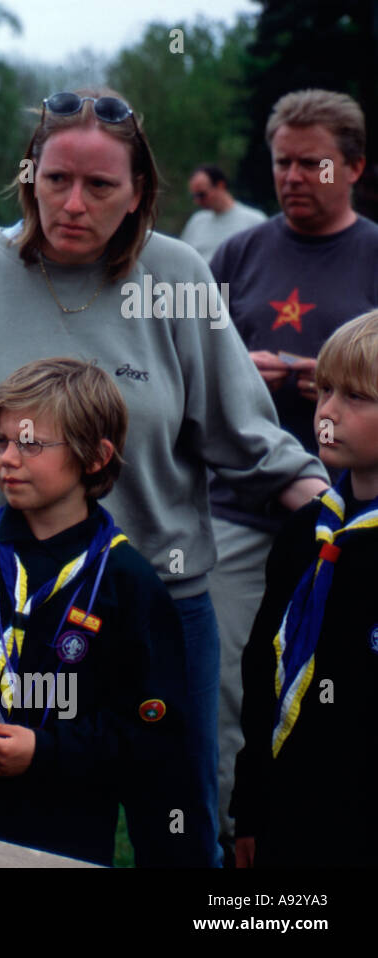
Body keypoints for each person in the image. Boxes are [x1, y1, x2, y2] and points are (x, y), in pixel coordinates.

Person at [0, 88, 329, 865]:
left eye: (99, 186)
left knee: (178, 821)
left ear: (140, 193)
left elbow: (248, 438)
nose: (72, 203)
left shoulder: (178, 274)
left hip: (160, 609)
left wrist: (341, 517)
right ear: (30, 177)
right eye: (55, 180)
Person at [0, 358, 206, 866]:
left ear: (95, 457)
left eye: (30, 443)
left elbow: (150, 731)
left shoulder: (128, 582)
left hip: (59, 838)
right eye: (1, 442)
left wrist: (47, 750)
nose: (8, 458)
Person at [206, 89, 378, 858]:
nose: (294, 177)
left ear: (355, 166)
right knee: (238, 680)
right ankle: (236, 832)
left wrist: (326, 380)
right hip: (246, 508)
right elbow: (192, 369)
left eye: (314, 163)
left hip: (353, 511)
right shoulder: (238, 252)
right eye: (282, 162)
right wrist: (239, 372)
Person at [232, 309, 378, 867]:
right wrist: (250, 807)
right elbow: (261, 673)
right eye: (326, 391)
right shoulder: (305, 532)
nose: (328, 413)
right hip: (288, 812)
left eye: (356, 398)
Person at [178, 165, 266, 261]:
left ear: (220, 186)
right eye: (194, 196)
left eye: (202, 195)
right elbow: (183, 258)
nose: (197, 201)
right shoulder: (197, 221)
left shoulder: (254, 220)